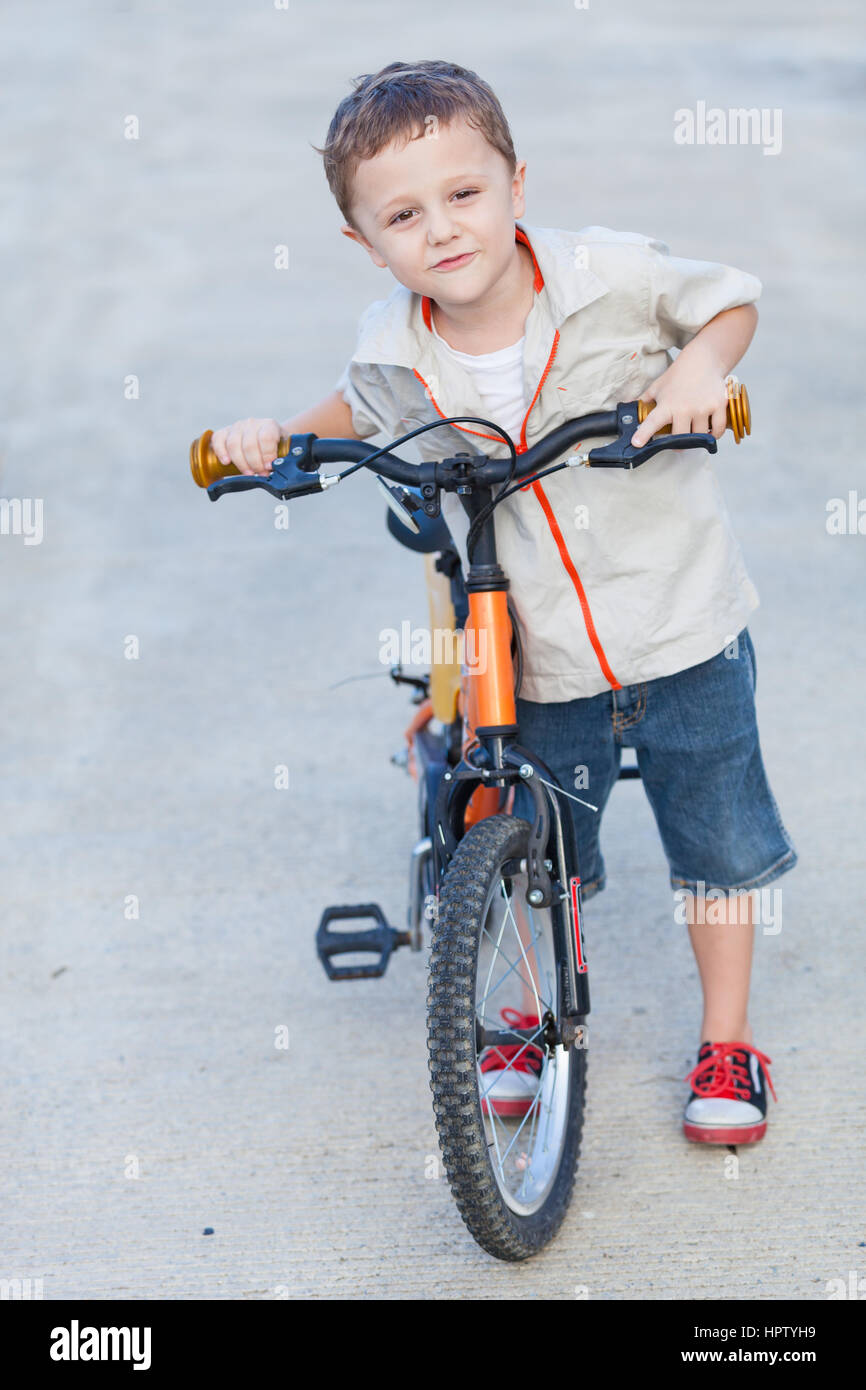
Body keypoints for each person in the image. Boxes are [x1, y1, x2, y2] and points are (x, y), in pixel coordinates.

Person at [209, 59, 797, 1145]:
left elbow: (726, 302)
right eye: (401, 213)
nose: (440, 229)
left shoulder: (609, 276)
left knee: (716, 845)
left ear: (516, 183)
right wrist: (276, 439)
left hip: (678, 626)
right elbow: (357, 403)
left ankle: (726, 1036)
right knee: (532, 843)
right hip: (537, 658)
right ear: (363, 242)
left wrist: (698, 371)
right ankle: (523, 1019)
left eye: (463, 194)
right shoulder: (391, 342)